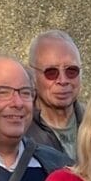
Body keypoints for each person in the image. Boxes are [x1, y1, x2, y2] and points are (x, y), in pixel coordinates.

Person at [27, 31, 85, 160]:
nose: (63, 80)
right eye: (51, 72)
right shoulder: (20, 130)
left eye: (71, 71)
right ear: (32, 76)